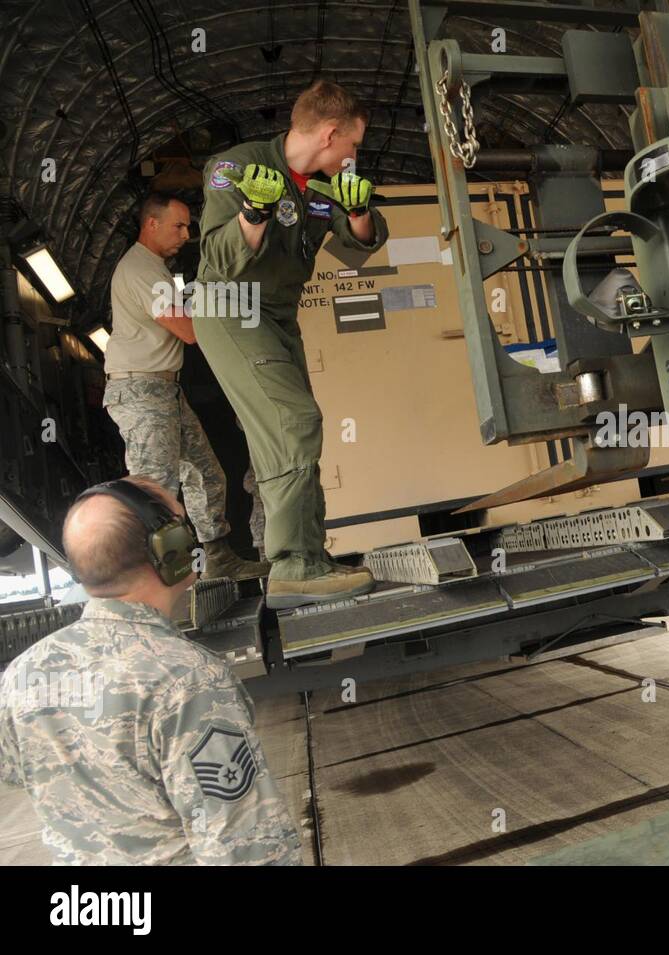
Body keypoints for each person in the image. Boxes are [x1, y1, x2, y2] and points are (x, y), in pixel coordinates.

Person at [0, 476, 302, 864]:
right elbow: (250, 847)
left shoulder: (24, 673)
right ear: (170, 549)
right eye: (182, 525)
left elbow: (14, 773)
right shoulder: (186, 680)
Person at [192, 79, 388, 609]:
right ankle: (293, 565)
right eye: (352, 144)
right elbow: (222, 260)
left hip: (279, 316)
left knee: (290, 433)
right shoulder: (236, 169)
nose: (354, 154)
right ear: (329, 133)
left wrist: (358, 211)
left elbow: (362, 247)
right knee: (293, 422)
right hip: (230, 306)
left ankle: (311, 557)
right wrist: (253, 213)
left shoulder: (325, 185)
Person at [104, 192, 268, 581]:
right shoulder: (140, 269)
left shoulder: (155, 268)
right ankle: (147, 580)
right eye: (178, 225)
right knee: (155, 489)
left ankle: (219, 557)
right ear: (152, 224)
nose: (185, 233)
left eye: (188, 225)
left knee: (205, 475)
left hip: (165, 390)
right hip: (141, 392)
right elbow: (187, 331)